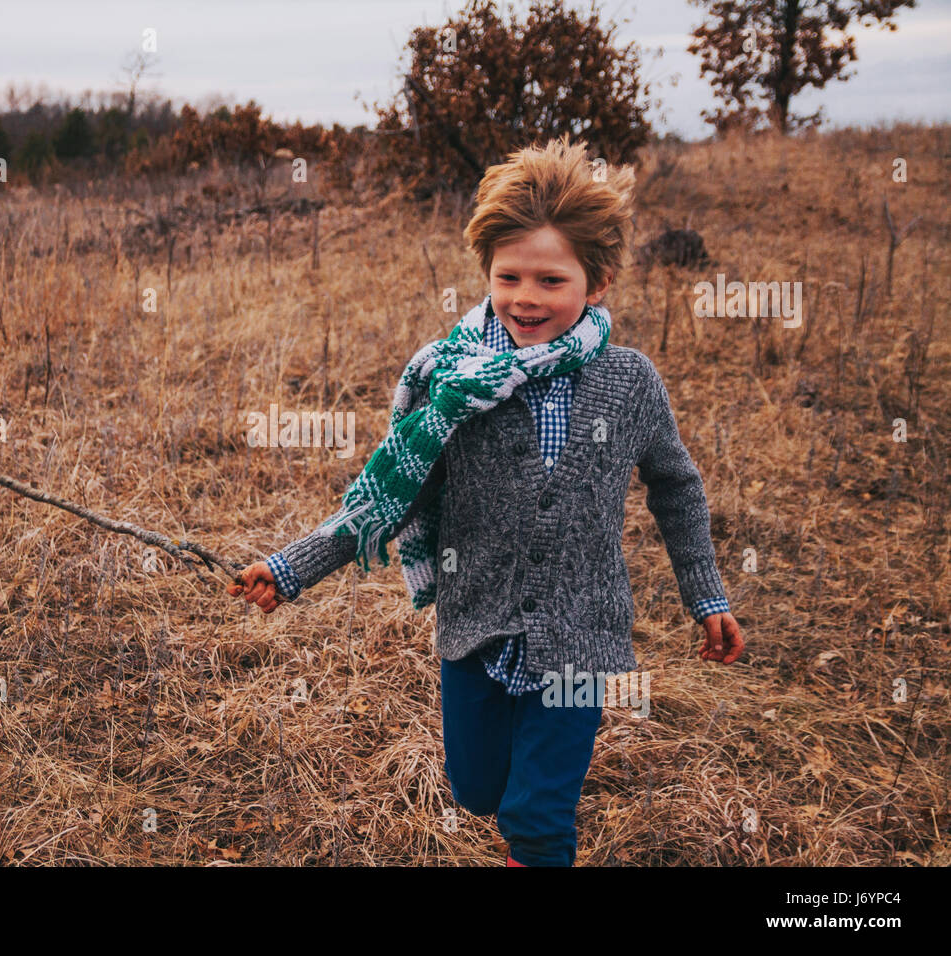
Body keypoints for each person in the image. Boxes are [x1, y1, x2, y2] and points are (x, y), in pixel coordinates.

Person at [228, 135, 745, 866]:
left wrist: (706, 594)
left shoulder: (630, 382)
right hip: (474, 629)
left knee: (538, 819)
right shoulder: (452, 384)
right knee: (477, 790)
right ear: (486, 274)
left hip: (580, 641)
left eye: (551, 280)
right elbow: (390, 497)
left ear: (596, 284)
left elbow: (677, 485)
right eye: (509, 277)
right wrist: (290, 569)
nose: (526, 298)